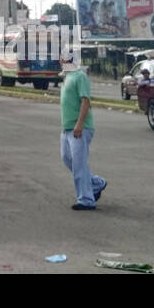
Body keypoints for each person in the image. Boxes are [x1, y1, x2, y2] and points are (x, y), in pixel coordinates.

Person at [60, 50, 106, 210]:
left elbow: (85, 102)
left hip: (79, 128)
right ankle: (96, 183)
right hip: (67, 128)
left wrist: (79, 124)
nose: (60, 61)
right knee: (67, 159)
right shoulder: (67, 77)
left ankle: (86, 199)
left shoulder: (80, 76)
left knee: (79, 164)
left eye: (63, 58)